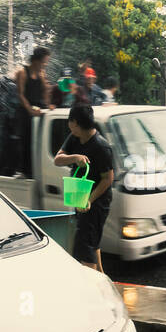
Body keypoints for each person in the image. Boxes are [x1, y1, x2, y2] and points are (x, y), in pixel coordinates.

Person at [53, 104, 114, 272]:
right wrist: (74, 157)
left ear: (76, 123)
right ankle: (102, 279)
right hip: (80, 196)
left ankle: (92, 288)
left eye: (70, 122)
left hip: (96, 202)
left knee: (85, 247)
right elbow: (57, 160)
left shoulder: (101, 147)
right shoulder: (75, 137)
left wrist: (89, 200)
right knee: (92, 242)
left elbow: (108, 179)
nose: (69, 125)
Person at [14, 47, 49, 176]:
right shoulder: (22, 73)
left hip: (37, 111)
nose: (45, 65)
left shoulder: (41, 74)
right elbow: (20, 95)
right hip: (25, 113)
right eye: (44, 62)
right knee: (27, 143)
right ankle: (24, 172)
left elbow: (45, 92)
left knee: (40, 142)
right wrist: (30, 111)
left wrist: (48, 105)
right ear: (35, 61)